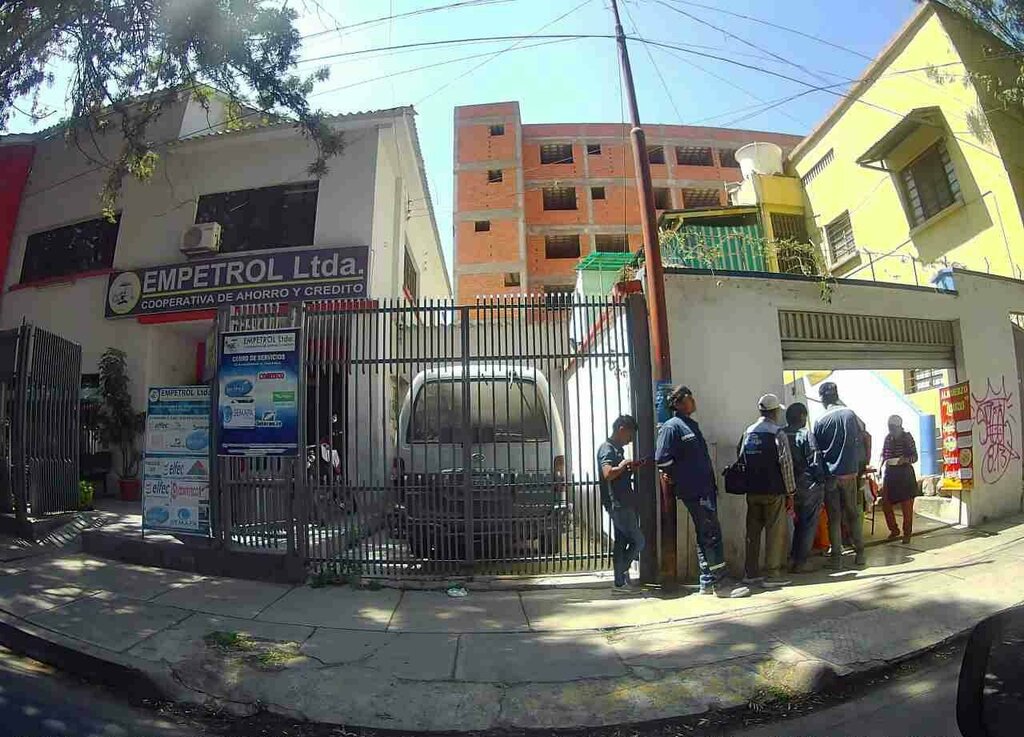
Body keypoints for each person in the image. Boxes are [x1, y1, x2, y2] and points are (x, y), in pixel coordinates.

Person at [656, 385, 751, 599]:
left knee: (704, 535)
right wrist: (678, 475)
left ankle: (707, 581)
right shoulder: (673, 427)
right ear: (679, 402)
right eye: (689, 397)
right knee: (711, 534)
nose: (693, 401)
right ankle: (721, 583)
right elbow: (662, 458)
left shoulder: (690, 425)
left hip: (704, 488)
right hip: (695, 490)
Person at [739, 394, 797, 587]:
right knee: (774, 532)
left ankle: (751, 573)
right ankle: (772, 574)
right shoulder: (777, 433)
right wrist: (791, 492)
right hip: (773, 491)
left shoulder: (748, 432)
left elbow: (740, 458)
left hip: (752, 491)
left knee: (752, 533)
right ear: (775, 412)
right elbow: (786, 465)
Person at [812, 382, 869, 569]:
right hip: (850, 474)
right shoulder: (850, 414)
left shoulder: (819, 421)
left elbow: (817, 450)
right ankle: (860, 553)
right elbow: (864, 431)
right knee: (852, 513)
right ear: (836, 395)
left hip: (830, 476)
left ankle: (836, 557)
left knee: (834, 517)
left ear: (822, 398)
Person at [597, 415, 645, 592]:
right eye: (630, 435)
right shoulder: (607, 449)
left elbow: (617, 475)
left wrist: (629, 468)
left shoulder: (617, 449)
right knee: (638, 541)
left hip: (623, 501)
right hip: (618, 504)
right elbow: (608, 473)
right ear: (622, 429)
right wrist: (624, 465)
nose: (631, 439)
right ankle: (619, 577)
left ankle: (620, 582)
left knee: (622, 541)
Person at [784, 402, 824, 573]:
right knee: (807, 524)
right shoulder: (805, 435)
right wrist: (821, 480)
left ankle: (793, 557)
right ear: (802, 417)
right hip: (807, 486)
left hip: (787, 487)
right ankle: (802, 562)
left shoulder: (782, 434)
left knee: (797, 523)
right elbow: (814, 460)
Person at [880, 415, 919, 544]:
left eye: (893, 427)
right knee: (885, 502)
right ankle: (894, 529)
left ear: (899, 427)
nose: (891, 430)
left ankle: (907, 533)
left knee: (906, 506)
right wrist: (882, 462)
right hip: (890, 473)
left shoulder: (907, 437)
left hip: (905, 474)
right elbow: (884, 454)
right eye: (889, 427)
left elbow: (915, 456)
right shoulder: (888, 438)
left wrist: (905, 459)